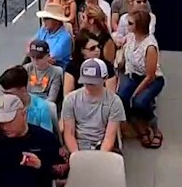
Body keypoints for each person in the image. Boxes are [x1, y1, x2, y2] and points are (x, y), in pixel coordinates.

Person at [117, 9, 166, 148]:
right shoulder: (131, 37)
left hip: (151, 79)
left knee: (138, 101)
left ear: (139, 25)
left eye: (131, 23)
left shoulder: (150, 46)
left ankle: (155, 128)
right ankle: (140, 128)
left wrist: (135, 93)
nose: (128, 25)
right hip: (132, 75)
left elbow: (150, 76)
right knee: (121, 98)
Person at [61, 58, 126, 154]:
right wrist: (77, 155)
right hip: (77, 145)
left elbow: (109, 137)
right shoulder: (70, 99)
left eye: (93, 82)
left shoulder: (114, 102)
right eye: (86, 82)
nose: (89, 86)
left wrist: (99, 158)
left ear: (105, 78)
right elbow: (69, 133)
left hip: (101, 145)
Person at [0, 66, 56, 133]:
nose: (6, 97)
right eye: (4, 93)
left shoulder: (41, 108)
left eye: (9, 93)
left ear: (23, 90)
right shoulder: (2, 104)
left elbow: (47, 136)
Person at [63, 30, 116, 96]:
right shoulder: (72, 67)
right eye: (92, 48)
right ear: (81, 50)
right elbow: (67, 95)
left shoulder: (107, 66)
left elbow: (111, 95)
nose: (97, 50)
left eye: (98, 46)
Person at [34, 2, 74, 69]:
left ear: (57, 21)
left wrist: (34, 53)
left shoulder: (65, 38)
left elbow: (50, 58)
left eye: (46, 18)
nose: (43, 21)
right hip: (41, 67)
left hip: (56, 72)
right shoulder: (43, 29)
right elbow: (30, 45)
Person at [24, 39, 64, 104]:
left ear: (48, 56)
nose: (35, 60)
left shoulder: (56, 72)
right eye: (33, 57)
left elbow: (52, 98)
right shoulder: (26, 68)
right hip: (28, 102)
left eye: (39, 58)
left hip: (45, 105)